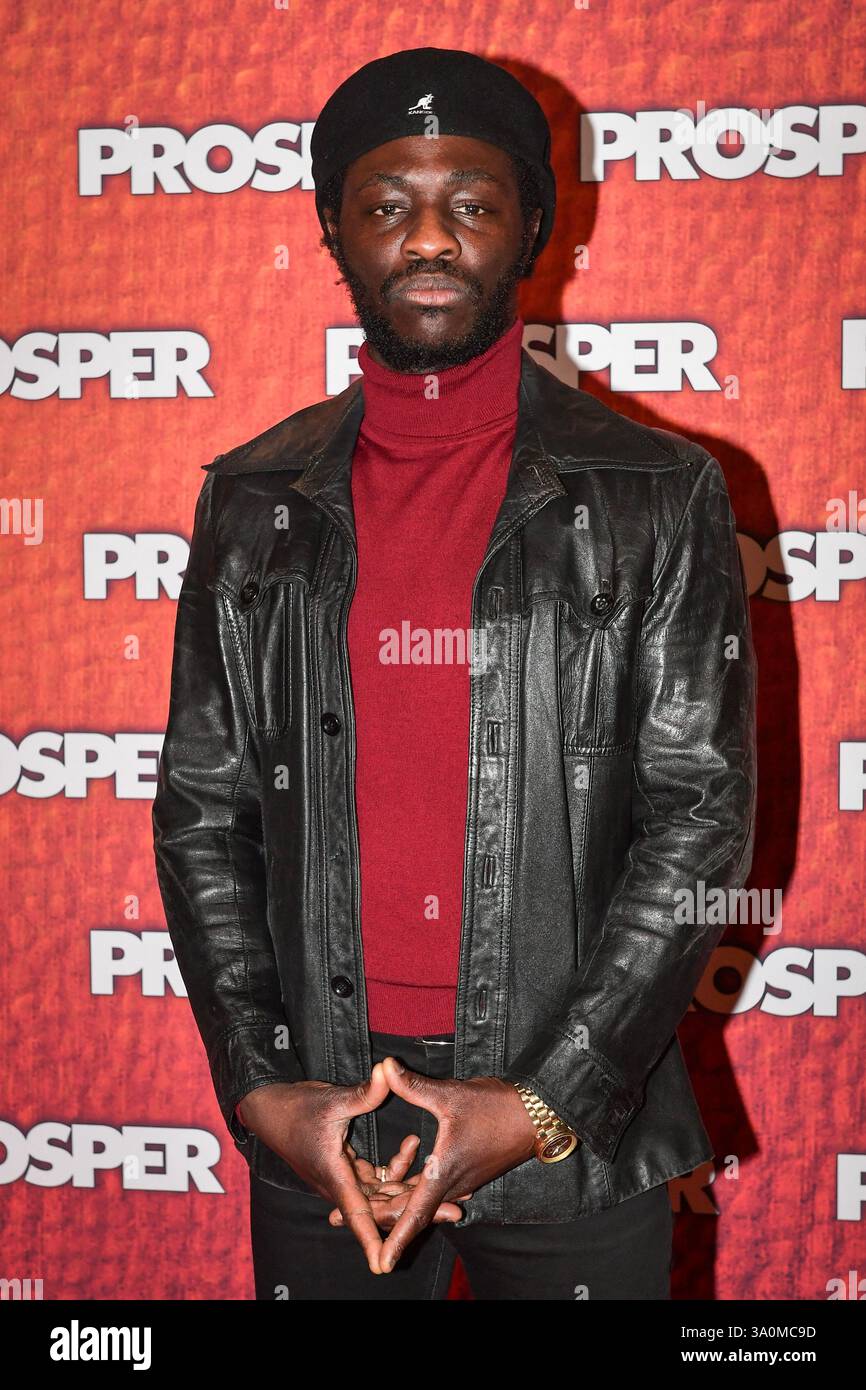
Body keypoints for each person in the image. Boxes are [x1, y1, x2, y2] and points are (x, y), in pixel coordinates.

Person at [152, 47, 757, 1301]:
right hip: (329, 1113)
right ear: (330, 229)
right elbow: (203, 815)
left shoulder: (655, 491)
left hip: (569, 1120)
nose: (428, 238)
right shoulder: (251, 499)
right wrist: (266, 1090)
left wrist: (542, 1101)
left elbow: (698, 822)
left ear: (532, 225)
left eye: (469, 204)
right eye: (385, 205)